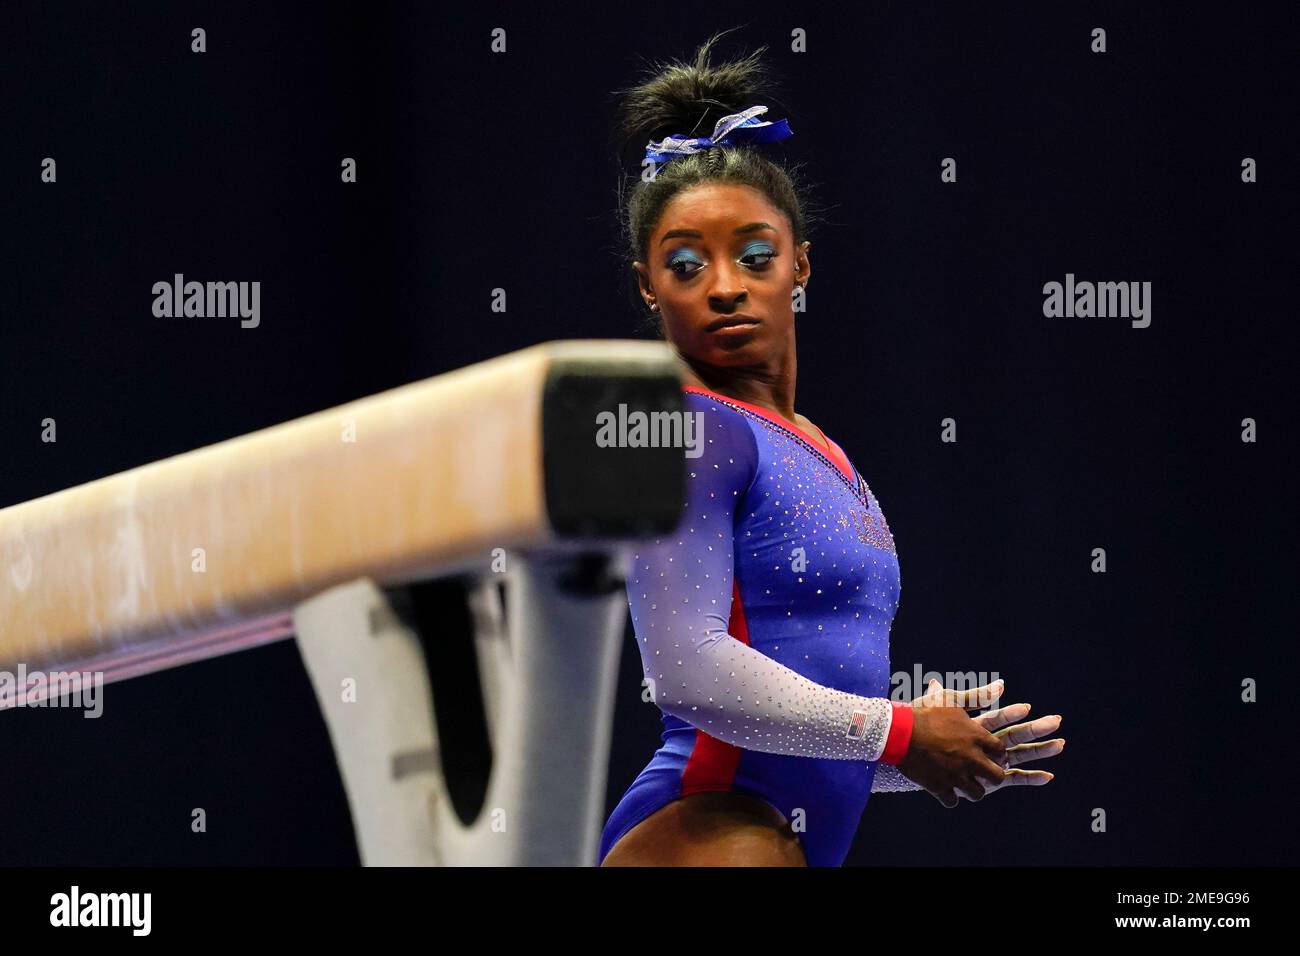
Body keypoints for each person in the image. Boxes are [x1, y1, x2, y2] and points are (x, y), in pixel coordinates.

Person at [599, 32, 1065, 867]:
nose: (726, 285)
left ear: (799, 266)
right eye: (684, 265)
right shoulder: (688, 431)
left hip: (774, 829)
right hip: (706, 826)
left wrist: (924, 752)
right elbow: (686, 672)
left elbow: (809, 731)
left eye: (753, 255)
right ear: (647, 286)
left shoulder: (822, 452)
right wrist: (899, 730)